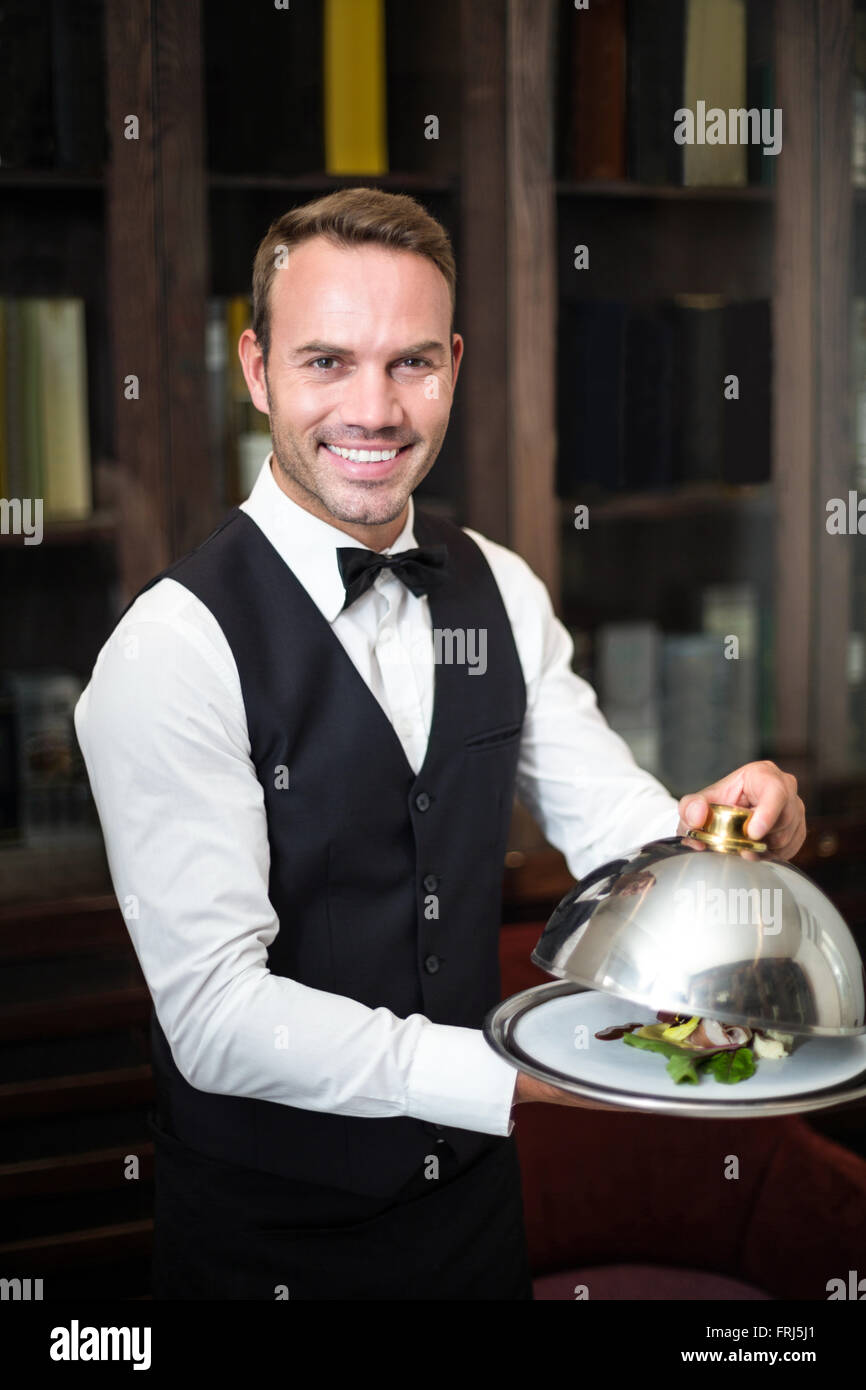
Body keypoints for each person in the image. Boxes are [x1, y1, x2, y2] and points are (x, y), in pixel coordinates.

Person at [74, 187, 806, 1301]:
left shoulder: (499, 590)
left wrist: (712, 833)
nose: (374, 408)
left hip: (470, 1219)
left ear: (454, 367)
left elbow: (615, 833)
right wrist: (511, 1076)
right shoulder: (170, 651)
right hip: (267, 1242)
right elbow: (217, 1017)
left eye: (411, 362)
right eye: (327, 362)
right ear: (257, 368)